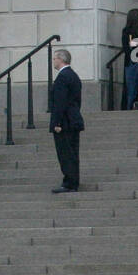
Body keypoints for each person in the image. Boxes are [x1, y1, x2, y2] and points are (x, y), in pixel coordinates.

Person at [48, 47, 84, 193]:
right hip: (73, 119)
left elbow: (60, 102)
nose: (53, 61)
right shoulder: (73, 76)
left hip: (65, 122)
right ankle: (73, 181)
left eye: (54, 58)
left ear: (61, 59)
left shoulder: (62, 77)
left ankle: (69, 182)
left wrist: (57, 122)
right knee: (72, 153)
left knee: (65, 153)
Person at [120, 8, 138, 111]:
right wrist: (129, 45)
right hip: (131, 63)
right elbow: (125, 47)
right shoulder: (126, 31)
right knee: (130, 86)